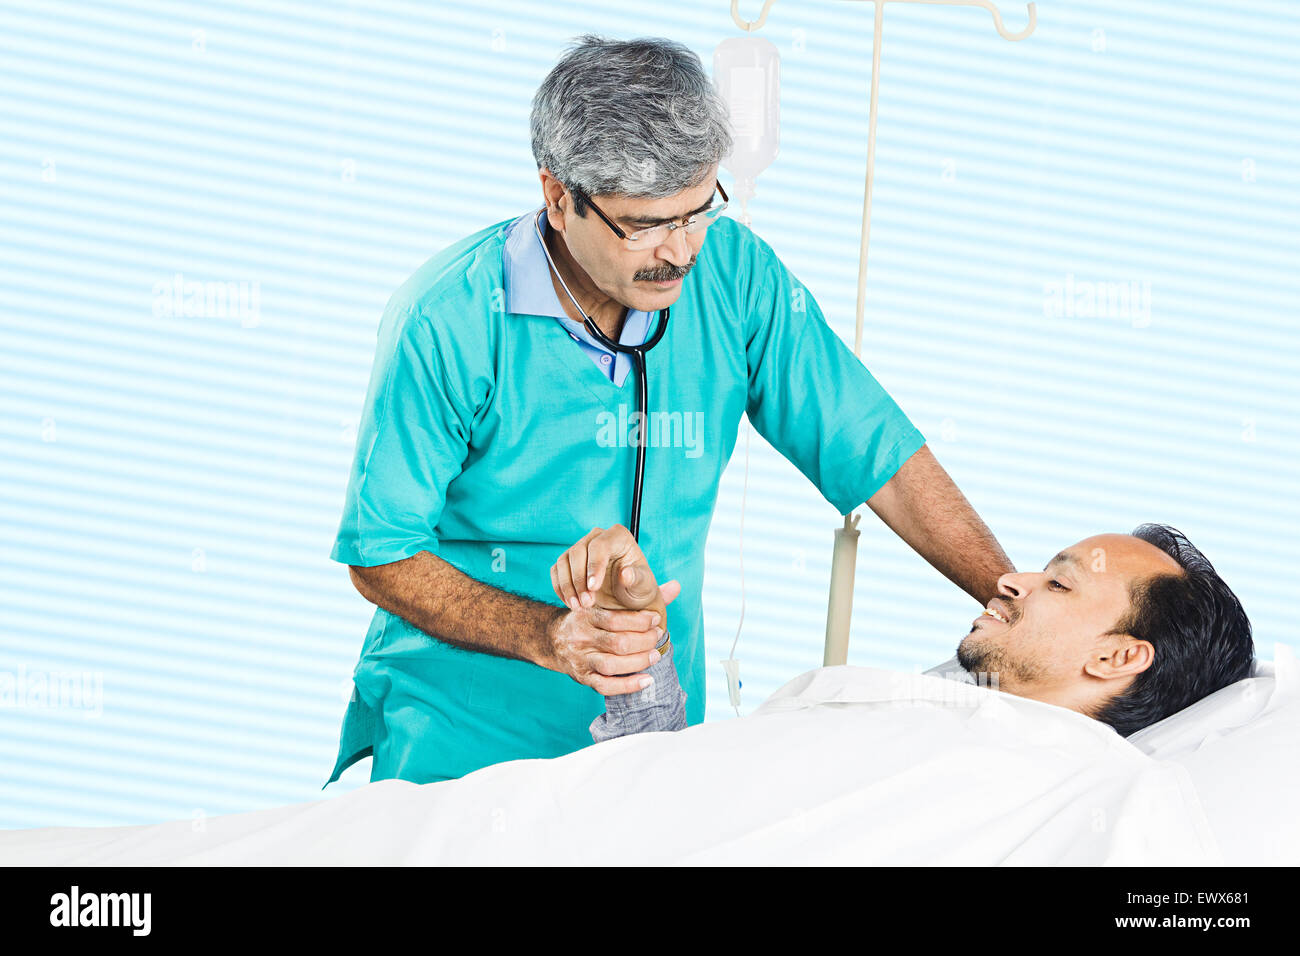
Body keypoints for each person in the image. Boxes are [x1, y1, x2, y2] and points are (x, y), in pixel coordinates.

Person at [324, 34, 1016, 788]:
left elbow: (877, 452)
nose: (682, 251)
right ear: (559, 196)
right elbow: (380, 552)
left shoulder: (735, 274)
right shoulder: (447, 320)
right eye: (646, 225)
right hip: (463, 734)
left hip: (653, 738)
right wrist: (553, 635)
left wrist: (1019, 606)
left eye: (697, 211)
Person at [573, 522, 1255, 740]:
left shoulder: (1031, 801)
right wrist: (641, 636)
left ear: (1117, 656)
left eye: (1058, 582)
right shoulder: (925, 727)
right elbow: (665, 795)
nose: (1011, 580)